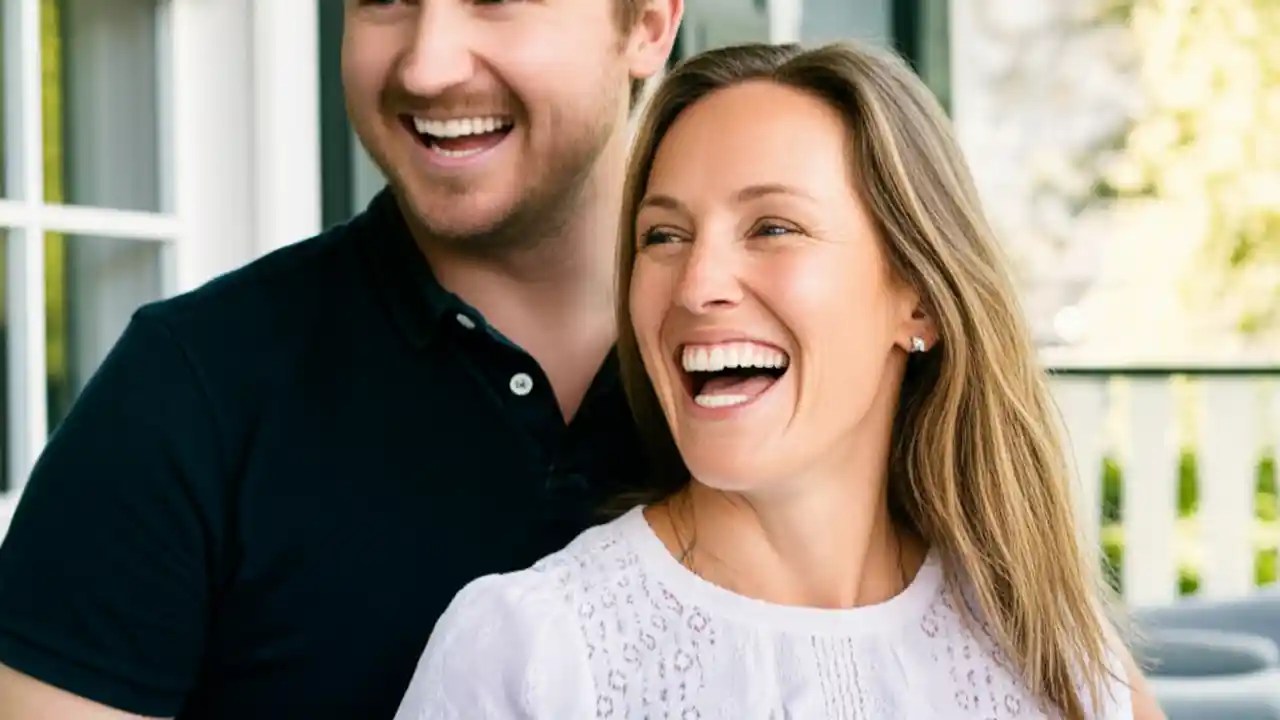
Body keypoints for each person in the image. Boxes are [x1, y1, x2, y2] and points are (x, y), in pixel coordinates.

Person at [392, 41, 1168, 719]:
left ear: (921, 301)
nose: (697, 285)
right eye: (663, 236)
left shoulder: (1051, 647)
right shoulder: (529, 652)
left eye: (772, 228)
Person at [0, 0, 681, 717]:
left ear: (648, 23)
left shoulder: (773, 391)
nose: (426, 65)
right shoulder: (185, 393)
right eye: (384, 0)